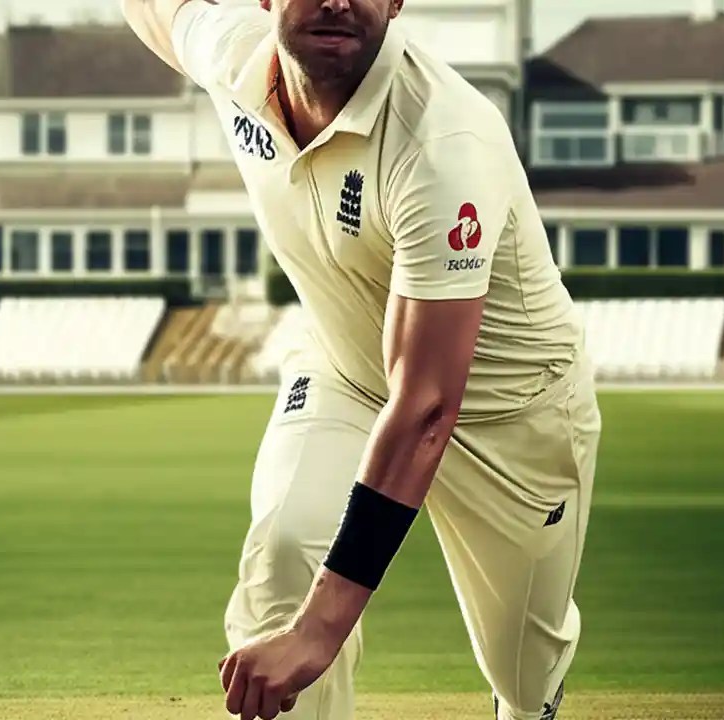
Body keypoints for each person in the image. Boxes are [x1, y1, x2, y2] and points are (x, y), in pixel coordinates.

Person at [121, 1, 602, 718]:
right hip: (347, 367)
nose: (339, 0)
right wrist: (302, 629)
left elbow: (427, 406)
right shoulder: (236, 60)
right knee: (286, 550)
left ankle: (531, 694)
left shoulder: (443, 141)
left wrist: (319, 632)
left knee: (523, 677)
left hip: (509, 413)